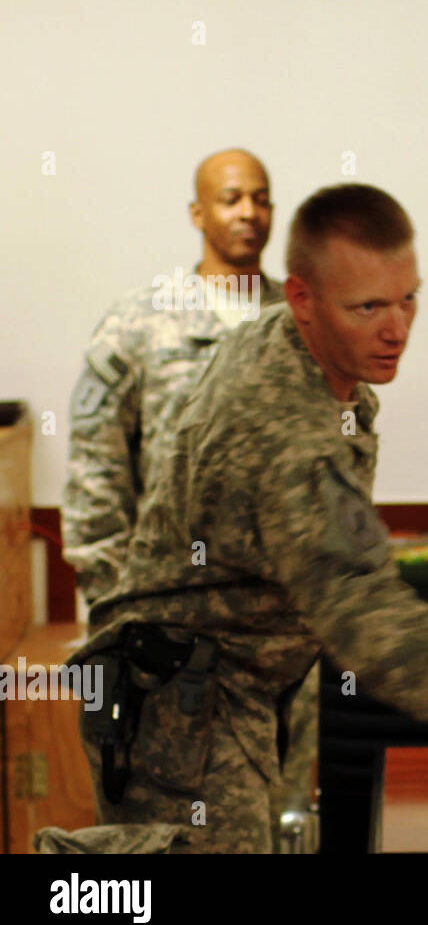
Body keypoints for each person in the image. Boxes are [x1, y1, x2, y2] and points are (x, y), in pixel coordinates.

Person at [69, 184, 428, 853]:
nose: (397, 328)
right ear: (301, 298)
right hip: (182, 706)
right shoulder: (286, 433)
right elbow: (376, 632)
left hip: (236, 676)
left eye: (408, 297)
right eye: (368, 306)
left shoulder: (295, 345)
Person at [63, 148, 282, 605]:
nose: (249, 212)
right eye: (231, 199)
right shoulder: (141, 321)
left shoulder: (301, 323)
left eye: (261, 200)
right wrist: (110, 596)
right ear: (197, 214)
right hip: (166, 603)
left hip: (282, 613)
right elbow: (96, 468)